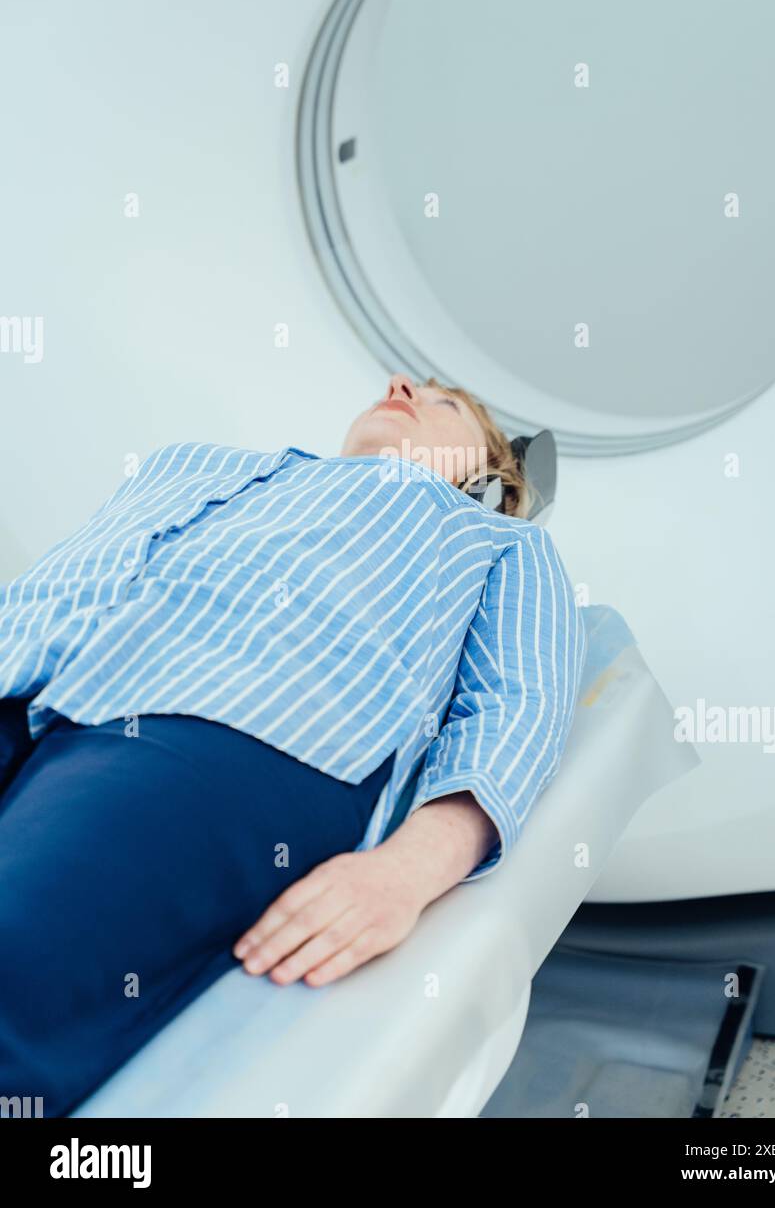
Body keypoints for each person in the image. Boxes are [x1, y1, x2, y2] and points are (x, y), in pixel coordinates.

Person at [0, 373, 584, 1116]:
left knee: (17, 948)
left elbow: (517, 706)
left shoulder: (493, 540)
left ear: (491, 474)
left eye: (446, 403)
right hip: (22, 671)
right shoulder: (191, 464)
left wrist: (406, 871)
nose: (402, 382)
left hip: (231, 723)